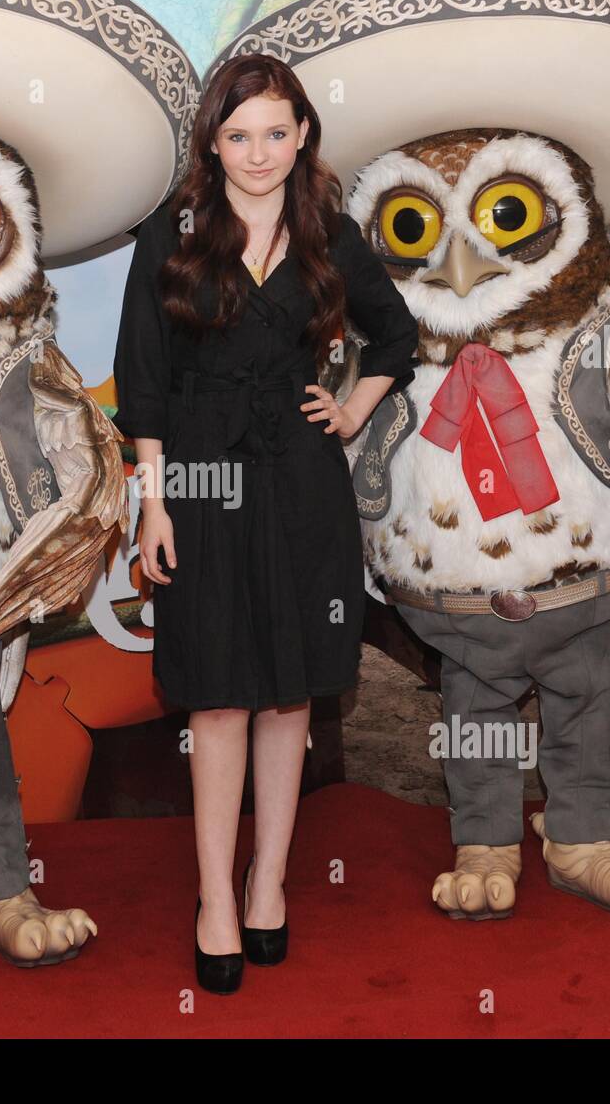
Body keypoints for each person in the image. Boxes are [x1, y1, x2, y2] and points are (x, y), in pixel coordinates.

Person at [111, 54, 418, 994]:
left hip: (299, 480)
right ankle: (213, 896)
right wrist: (154, 500)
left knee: (289, 690)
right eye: (239, 134)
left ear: (303, 136)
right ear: (212, 139)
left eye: (277, 132)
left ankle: (269, 883)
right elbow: (144, 374)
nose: (258, 152)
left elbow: (397, 335)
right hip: (200, 477)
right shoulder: (174, 228)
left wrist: (355, 409)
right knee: (218, 694)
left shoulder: (330, 229)